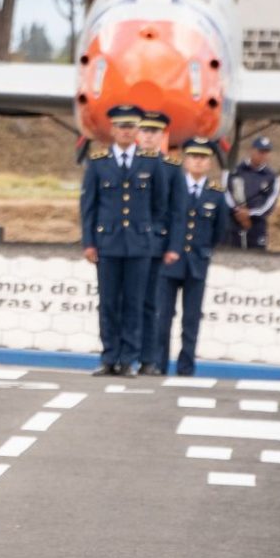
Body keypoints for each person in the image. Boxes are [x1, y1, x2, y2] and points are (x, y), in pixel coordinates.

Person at [80, 104, 174, 377]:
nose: (126, 131)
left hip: (139, 245)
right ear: (113, 130)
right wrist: (89, 242)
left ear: (136, 131)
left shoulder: (151, 162)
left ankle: (128, 359)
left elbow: (160, 205)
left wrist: (150, 232)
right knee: (108, 303)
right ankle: (109, 356)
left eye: (131, 127)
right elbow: (89, 205)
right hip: (107, 243)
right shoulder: (98, 162)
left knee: (134, 303)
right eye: (121, 127)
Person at [152, 138, 230, 376]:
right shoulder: (172, 188)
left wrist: (202, 250)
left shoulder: (216, 194)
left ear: (209, 163)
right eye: (194, 156)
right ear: (185, 160)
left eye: (203, 158)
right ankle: (158, 364)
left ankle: (186, 366)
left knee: (191, 319)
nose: (198, 161)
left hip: (197, 263)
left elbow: (220, 230)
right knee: (162, 316)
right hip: (170, 262)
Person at [134, 109, 182, 375]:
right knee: (125, 302)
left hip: (154, 246)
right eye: (145, 131)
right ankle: (124, 354)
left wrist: (173, 246)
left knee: (151, 303)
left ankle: (147, 359)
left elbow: (178, 211)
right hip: (127, 245)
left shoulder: (171, 168)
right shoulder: (128, 164)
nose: (149, 136)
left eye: (154, 132)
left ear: (162, 136)